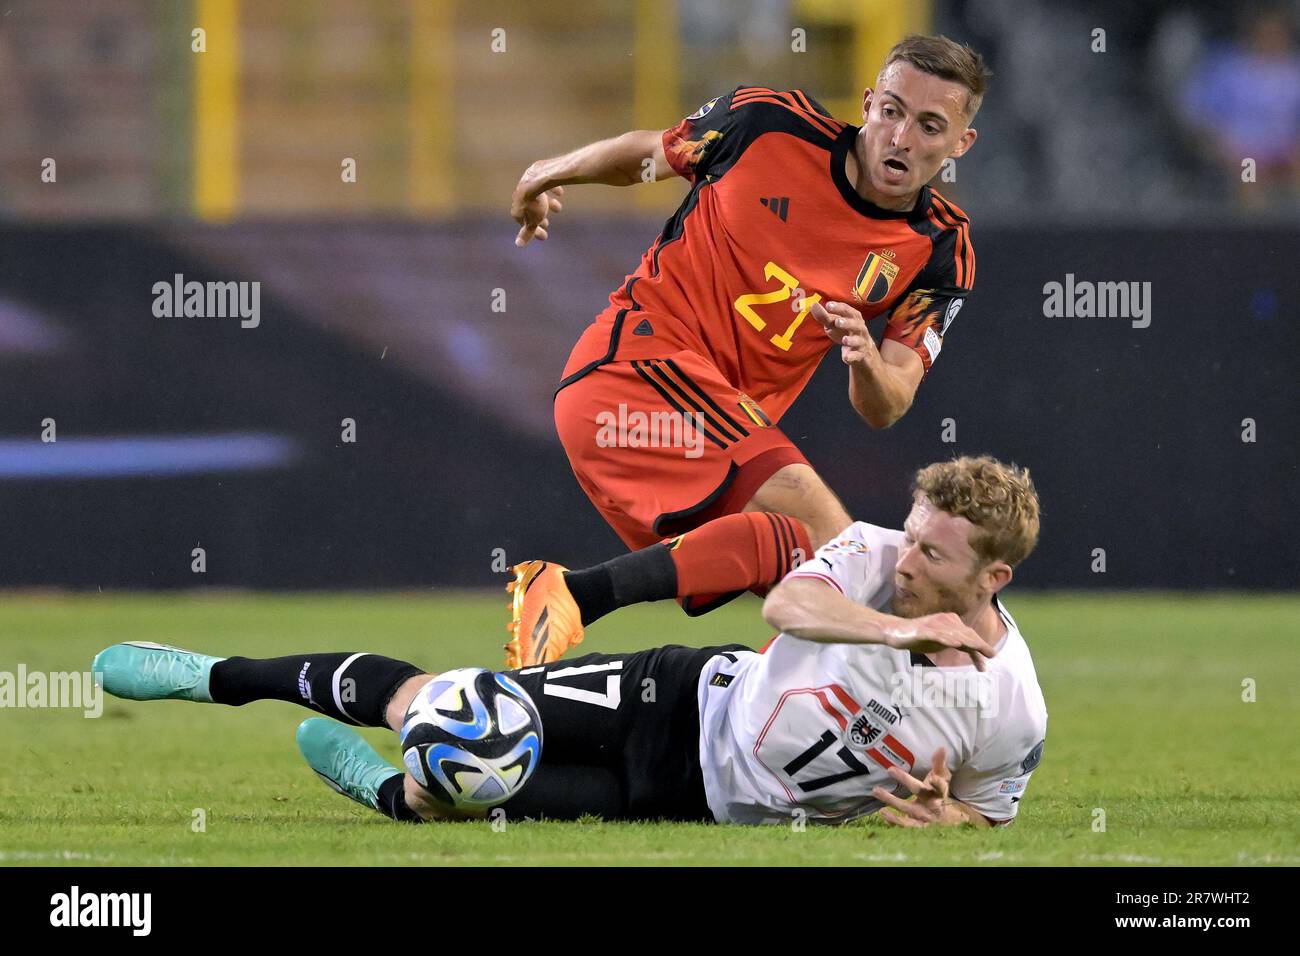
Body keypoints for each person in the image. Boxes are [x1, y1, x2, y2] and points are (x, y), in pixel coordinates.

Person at [93, 456, 1046, 829]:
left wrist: (945, 821)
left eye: (935, 554)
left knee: (457, 795)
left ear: (993, 578)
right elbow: (786, 609)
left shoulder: (1012, 706)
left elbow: (989, 817)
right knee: (453, 705)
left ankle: (388, 788)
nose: (909, 556)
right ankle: (215, 675)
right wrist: (899, 625)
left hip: (697, 811)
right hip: (678, 701)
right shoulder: (875, 558)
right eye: (912, 534)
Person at [504, 34, 989, 666]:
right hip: (631, 369)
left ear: (960, 145)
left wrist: (867, 361)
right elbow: (648, 156)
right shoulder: (766, 124)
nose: (900, 138)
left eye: (929, 126)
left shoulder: (939, 249)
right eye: (891, 110)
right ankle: (577, 598)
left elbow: (887, 403)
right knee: (837, 545)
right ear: (868, 104)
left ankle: (755, 726)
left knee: (806, 564)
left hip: (706, 424)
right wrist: (548, 171)